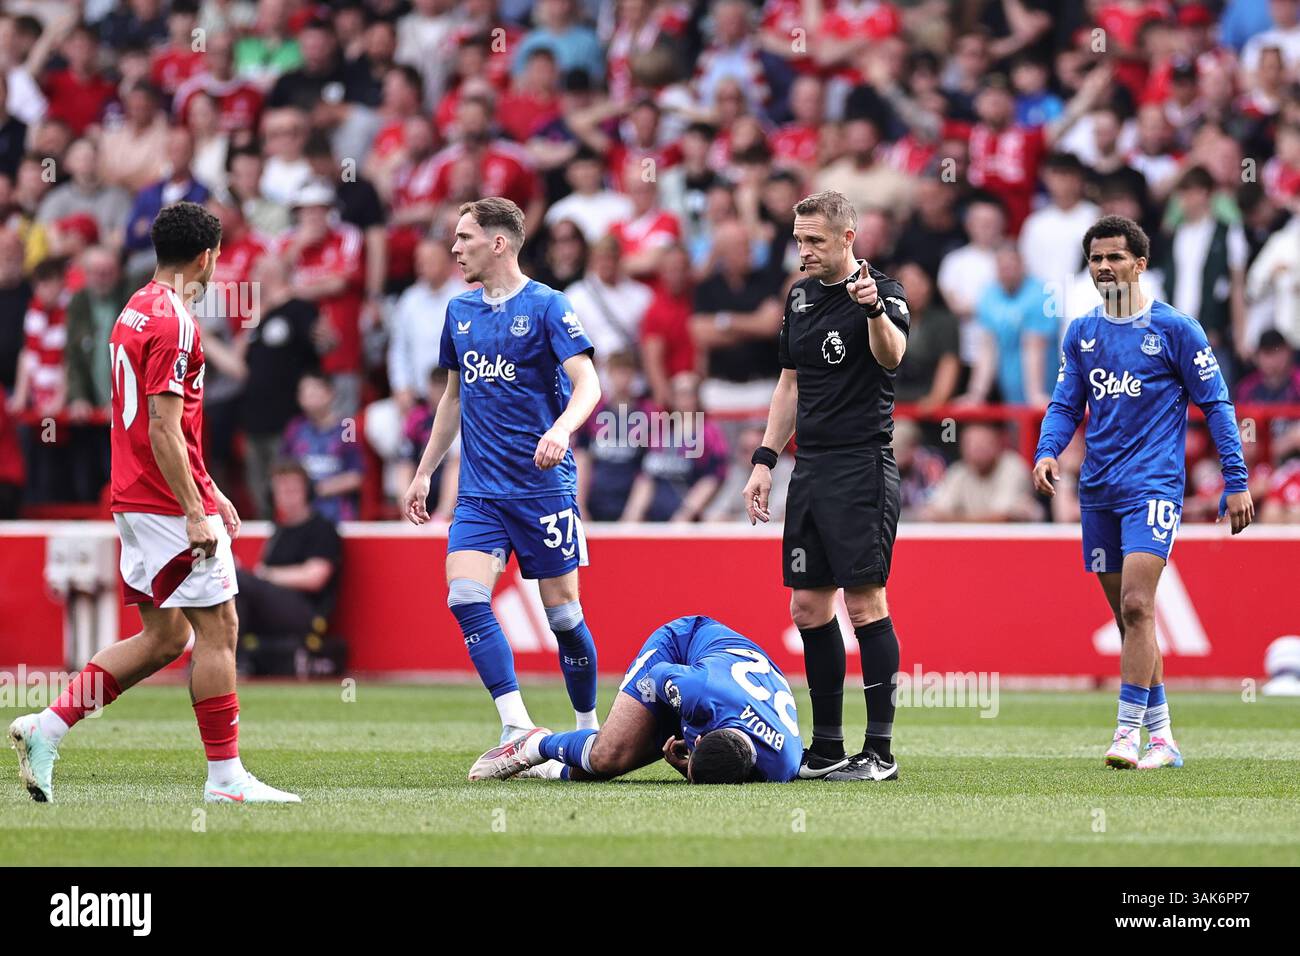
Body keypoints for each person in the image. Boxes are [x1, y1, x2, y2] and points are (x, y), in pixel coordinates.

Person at [7, 201, 298, 804]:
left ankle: (47, 726)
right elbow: (164, 430)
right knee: (220, 628)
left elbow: (163, 426)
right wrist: (196, 509)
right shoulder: (176, 323)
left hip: (135, 496)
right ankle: (226, 780)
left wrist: (211, 488)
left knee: (166, 638)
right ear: (206, 256)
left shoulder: (135, 310)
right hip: (165, 503)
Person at [1033, 214, 1253, 771]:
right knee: (1131, 617)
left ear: (1140, 263)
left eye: (1114, 257)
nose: (1104, 267)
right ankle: (1164, 737)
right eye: (1096, 258)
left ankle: (1127, 734)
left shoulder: (1176, 330)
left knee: (1136, 604)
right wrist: (1047, 450)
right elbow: (1065, 404)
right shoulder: (1082, 333)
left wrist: (1236, 480)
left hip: (1153, 487)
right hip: (1098, 489)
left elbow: (1218, 405)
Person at [401, 196, 603, 760]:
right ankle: (516, 726)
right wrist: (424, 473)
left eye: (464, 237)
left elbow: (589, 383)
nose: (454, 247)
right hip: (481, 494)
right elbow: (452, 398)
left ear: (498, 243)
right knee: (464, 596)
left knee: (563, 616)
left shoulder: (548, 306)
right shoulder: (459, 312)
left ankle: (588, 727)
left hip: (543, 489)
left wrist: (561, 429)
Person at [742, 189, 909, 783]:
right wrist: (765, 459)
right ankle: (828, 747)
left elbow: (892, 357)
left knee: (865, 605)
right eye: (798, 238)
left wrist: (873, 311)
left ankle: (881, 752)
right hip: (808, 469)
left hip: (861, 465)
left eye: (815, 240)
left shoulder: (881, 293)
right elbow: (789, 384)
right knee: (808, 607)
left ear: (847, 239)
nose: (804, 250)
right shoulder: (800, 296)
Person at [468, 615, 803, 784]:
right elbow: (660, 676)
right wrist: (684, 746)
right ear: (699, 738)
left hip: (718, 688)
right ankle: (532, 745)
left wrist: (692, 761)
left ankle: (553, 769)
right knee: (608, 754)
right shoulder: (697, 690)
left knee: (602, 767)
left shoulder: (783, 763)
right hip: (681, 650)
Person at [234, 459, 342, 656]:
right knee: (232, 583)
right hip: (275, 609)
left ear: (307, 491)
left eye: (293, 489)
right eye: (281, 490)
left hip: (307, 612)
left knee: (240, 580)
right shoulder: (279, 531)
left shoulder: (321, 528)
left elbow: (315, 578)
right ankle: (231, 657)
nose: (287, 496)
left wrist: (265, 576)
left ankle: (232, 657)